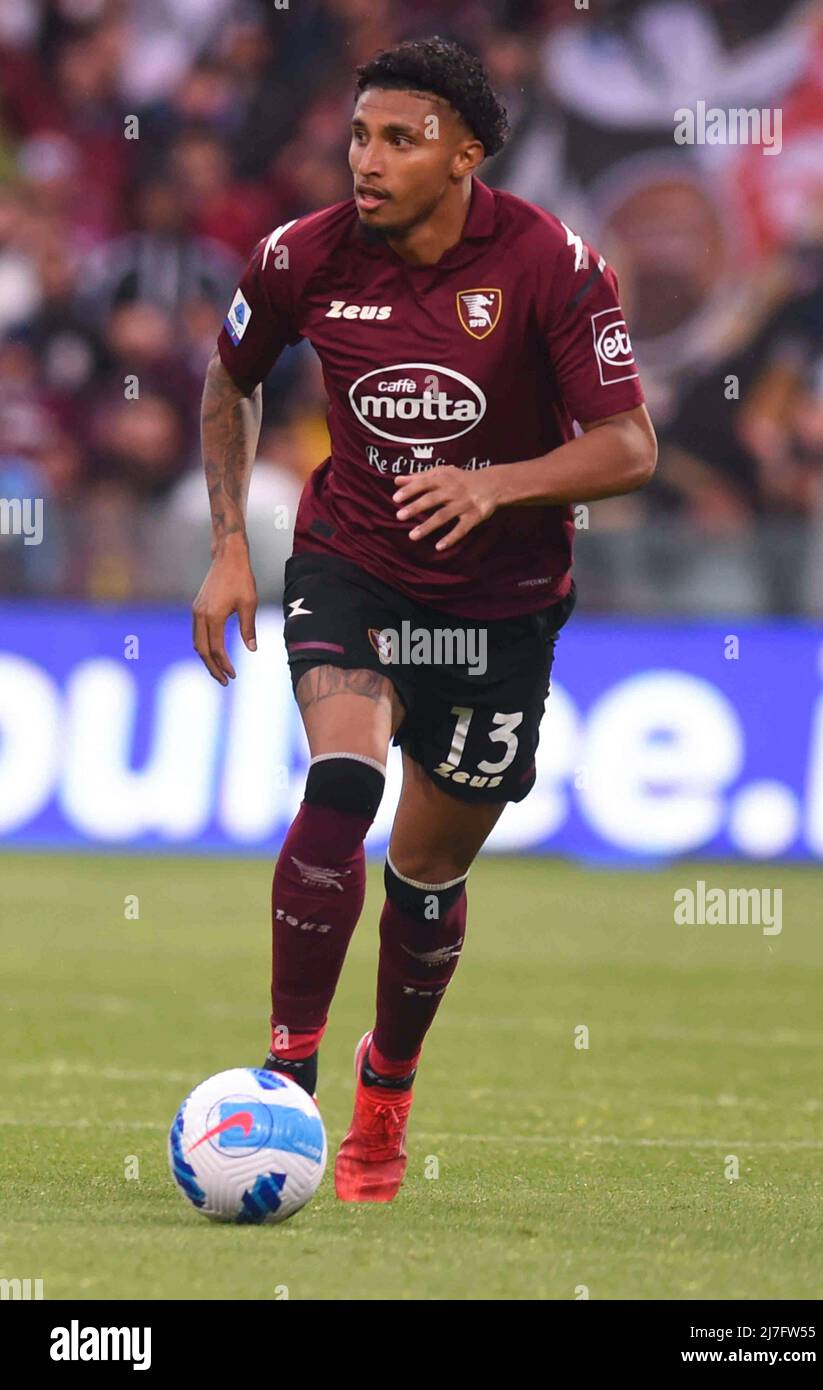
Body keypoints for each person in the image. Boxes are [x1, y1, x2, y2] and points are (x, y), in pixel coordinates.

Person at [192, 36, 657, 1203]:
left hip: (501, 607)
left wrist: (494, 483)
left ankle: (385, 1083)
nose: (368, 158)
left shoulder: (550, 262)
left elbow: (629, 446)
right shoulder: (301, 255)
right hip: (354, 563)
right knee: (341, 781)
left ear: (464, 154)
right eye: (359, 134)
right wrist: (230, 546)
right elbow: (228, 377)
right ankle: (287, 1072)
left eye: (399, 139)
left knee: (425, 873)